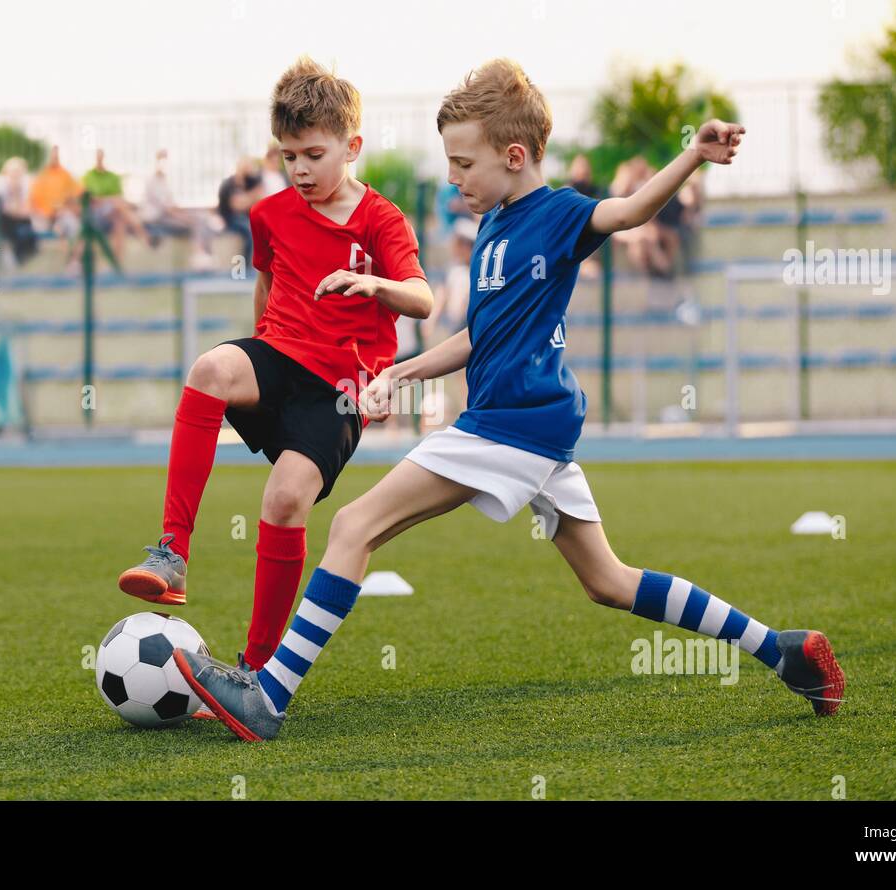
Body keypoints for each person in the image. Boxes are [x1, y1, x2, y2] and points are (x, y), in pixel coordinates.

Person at [174, 59, 844, 742]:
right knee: (609, 581)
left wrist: (694, 155)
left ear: (514, 157)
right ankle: (782, 650)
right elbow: (479, 337)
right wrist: (401, 374)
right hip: (535, 431)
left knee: (353, 526)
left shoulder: (558, 215)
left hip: (506, 427)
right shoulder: (493, 226)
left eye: (464, 164)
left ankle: (269, 695)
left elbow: (631, 210)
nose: (453, 177)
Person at [116, 57, 433, 678]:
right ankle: (172, 555)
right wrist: (258, 349)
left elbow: (423, 299)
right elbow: (266, 285)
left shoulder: (381, 219)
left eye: (314, 154)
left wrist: (374, 285)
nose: (300, 169)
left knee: (286, 501)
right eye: (289, 156)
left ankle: (257, 672)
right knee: (211, 369)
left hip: (339, 389)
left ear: (352, 147)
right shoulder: (269, 214)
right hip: (281, 356)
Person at [141, 149, 213, 267]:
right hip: (157, 218)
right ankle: (199, 254)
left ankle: (205, 253)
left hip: (166, 215)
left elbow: (172, 205)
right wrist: (185, 218)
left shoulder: (164, 181)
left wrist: (186, 213)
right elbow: (167, 209)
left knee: (202, 217)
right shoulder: (151, 180)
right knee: (196, 222)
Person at [81, 149, 148, 263]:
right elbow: (90, 199)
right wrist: (108, 199)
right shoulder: (88, 176)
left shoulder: (112, 177)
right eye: (98, 158)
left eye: (102, 158)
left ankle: (116, 261)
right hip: (96, 214)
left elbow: (118, 197)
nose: (100, 161)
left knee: (120, 222)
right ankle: (143, 234)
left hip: (112, 212)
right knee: (118, 204)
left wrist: (108, 199)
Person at [29, 145, 84, 272]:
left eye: (56, 156)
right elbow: (34, 202)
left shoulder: (66, 175)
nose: (54, 158)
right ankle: (72, 262)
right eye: (52, 156)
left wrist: (68, 209)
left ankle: (74, 262)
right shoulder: (41, 176)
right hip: (46, 217)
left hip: (63, 216)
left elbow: (77, 195)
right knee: (62, 229)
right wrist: (48, 213)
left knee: (73, 228)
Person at [0, 157, 38, 265]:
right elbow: (4, 209)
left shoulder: (27, 184)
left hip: (22, 220)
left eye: (18, 171)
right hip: (7, 221)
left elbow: (28, 208)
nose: (15, 175)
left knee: (25, 231)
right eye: (13, 171)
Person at [217, 156, 263, 261]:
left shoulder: (250, 182)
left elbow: (260, 199)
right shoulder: (228, 183)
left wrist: (247, 199)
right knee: (251, 230)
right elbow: (237, 206)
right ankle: (247, 264)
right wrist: (251, 198)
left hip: (246, 217)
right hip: (231, 219)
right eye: (246, 166)